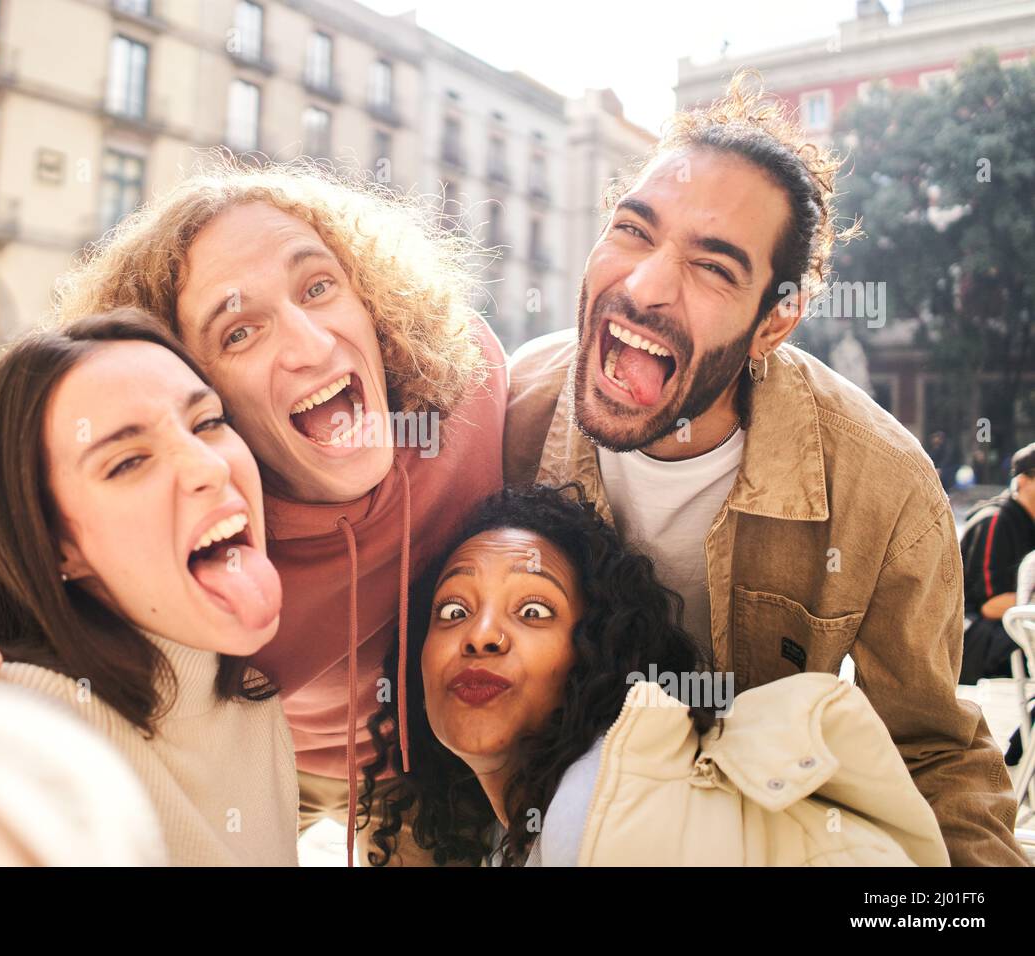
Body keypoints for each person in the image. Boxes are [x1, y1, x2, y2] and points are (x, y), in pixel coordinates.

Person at [0, 162, 507, 864]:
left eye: (319, 287)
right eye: (238, 332)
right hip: (286, 761)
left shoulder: (470, 381)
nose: (312, 344)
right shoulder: (187, 569)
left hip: (428, 758)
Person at [503, 73, 1025, 865]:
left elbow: (929, 750)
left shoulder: (882, 484)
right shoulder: (507, 414)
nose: (643, 286)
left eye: (714, 268)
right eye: (634, 230)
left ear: (774, 321)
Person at [360, 485, 949, 867]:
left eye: (533, 610)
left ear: (596, 654)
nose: (480, 634)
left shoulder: (603, 820)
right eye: (453, 611)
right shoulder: (513, 840)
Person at [0, 307, 298, 866]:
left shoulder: (253, 702)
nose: (210, 467)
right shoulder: (19, 737)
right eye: (128, 461)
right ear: (55, 546)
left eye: (208, 424)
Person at [958, 441, 1035, 684]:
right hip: (971, 636)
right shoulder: (995, 521)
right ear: (1023, 481)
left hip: (1012, 624)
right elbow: (991, 606)